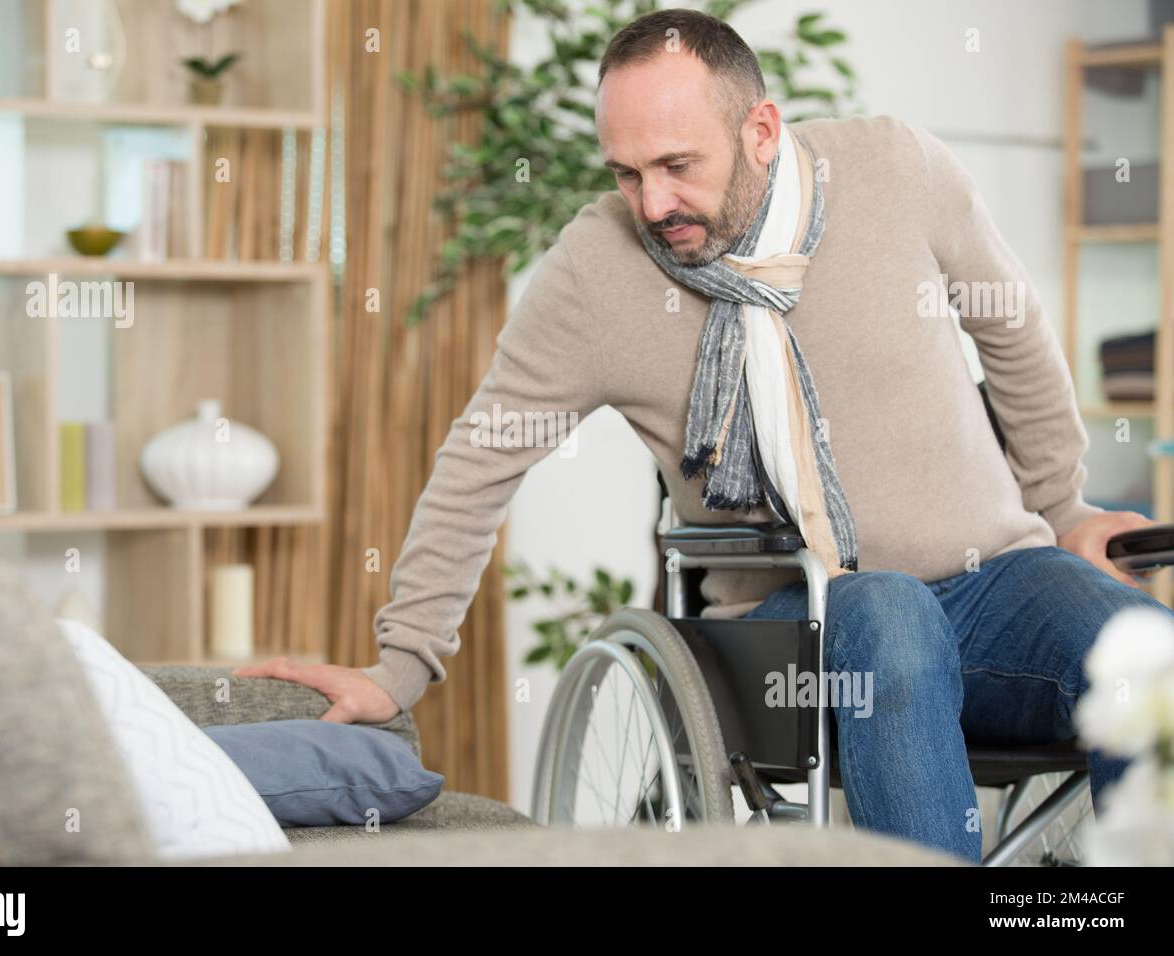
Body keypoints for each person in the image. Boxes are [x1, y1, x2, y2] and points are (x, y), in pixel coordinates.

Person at [236, 8, 1170, 863]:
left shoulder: (896, 169)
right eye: (627, 173)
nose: (651, 205)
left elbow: (1011, 327)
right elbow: (481, 458)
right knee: (889, 613)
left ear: (761, 131)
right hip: (789, 635)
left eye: (678, 166)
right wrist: (400, 665)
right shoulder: (597, 271)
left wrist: (1063, 505)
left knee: (1138, 639)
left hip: (992, 584)